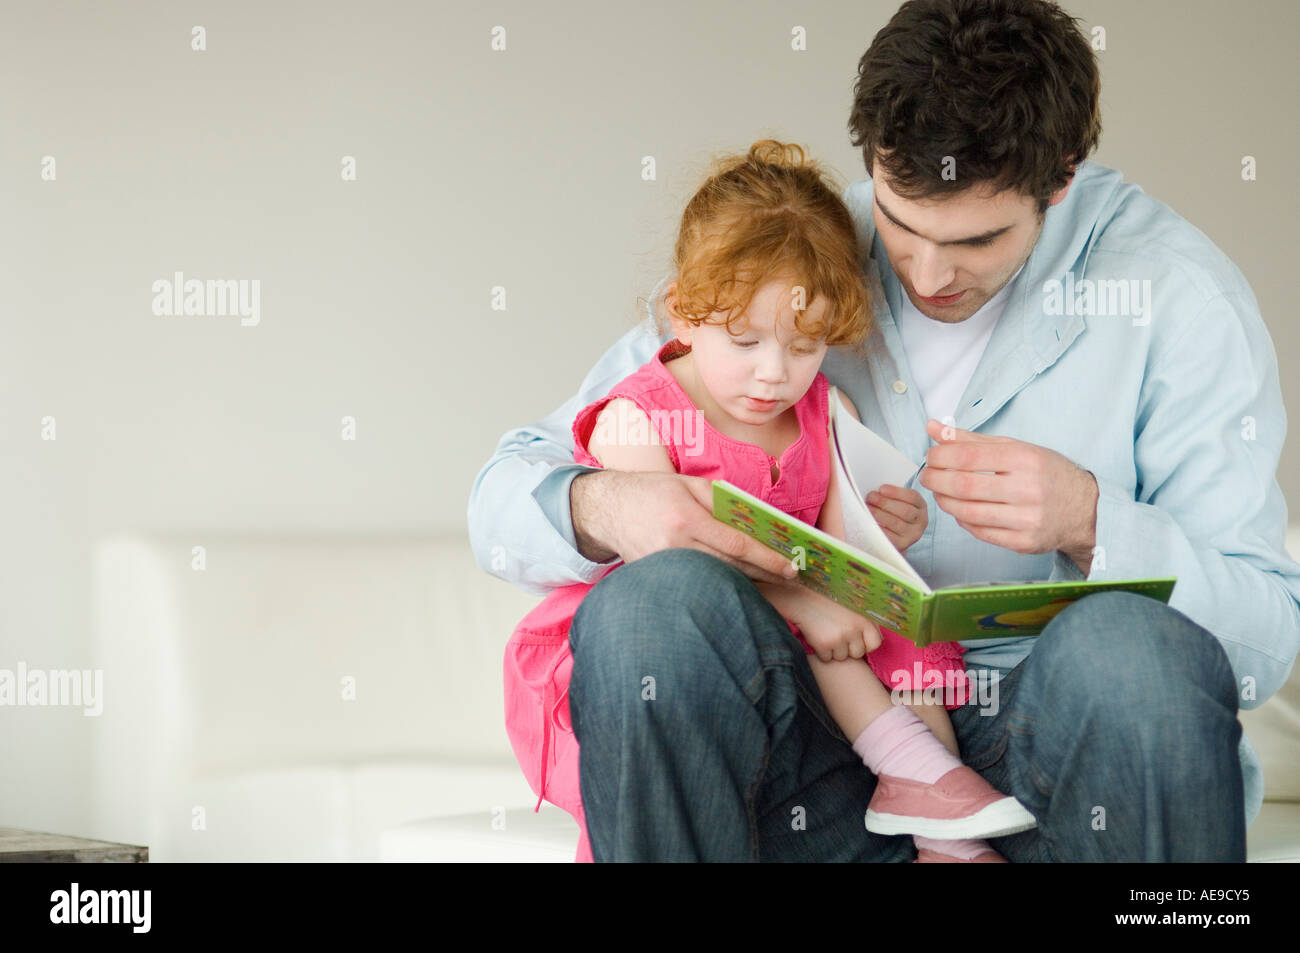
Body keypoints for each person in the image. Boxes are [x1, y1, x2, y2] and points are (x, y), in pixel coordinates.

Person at [469, 0, 1300, 861]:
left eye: (979, 240)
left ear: (1061, 177)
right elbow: (500, 500)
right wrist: (613, 506)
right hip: (824, 762)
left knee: (1131, 654)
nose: (930, 273)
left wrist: (1093, 522)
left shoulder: (1178, 296)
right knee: (652, 608)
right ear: (875, 158)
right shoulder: (796, 249)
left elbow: (1263, 645)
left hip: (1062, 773)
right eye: (902, 224)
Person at [503, 140, 1037, 865]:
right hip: (697, 645)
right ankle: (918, 777)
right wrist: (809, 601)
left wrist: (882, 537)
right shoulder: (639, 416)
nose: (773, 374)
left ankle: (940, 816)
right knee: (756, 620)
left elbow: (839, 552)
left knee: (895, 619)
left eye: (806, 344)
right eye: (745, 339)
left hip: (805, 657)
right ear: (683, 314)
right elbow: (674, 556)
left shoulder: (822, 407)